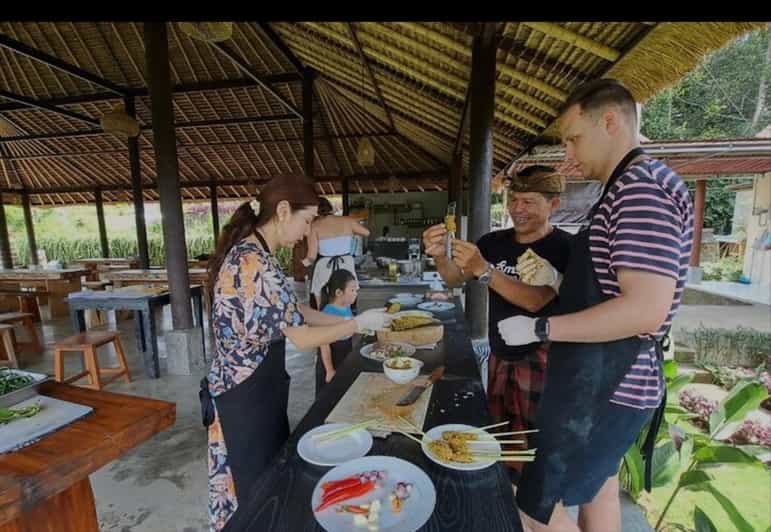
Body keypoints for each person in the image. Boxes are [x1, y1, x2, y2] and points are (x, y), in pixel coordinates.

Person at [498, 79, 694, 532]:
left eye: (573, 137)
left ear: (609, 122)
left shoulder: (640, 188)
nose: (567, 152)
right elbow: (612, 282)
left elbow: (645, 309)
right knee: (599, 485)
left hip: (609, 384)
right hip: (603, 377)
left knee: (536, 510)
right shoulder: (625, 187)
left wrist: (541, 329)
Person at [200, 176, 388, 531]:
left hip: (257, 386)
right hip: (243, 394)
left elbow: (294, 312)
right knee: (252, 489)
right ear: (283, 211)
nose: (307, 233)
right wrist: (357, 324)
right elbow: (301, 338)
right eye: (306, 221)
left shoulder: (258, 255)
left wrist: (348, 318)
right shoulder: (251, 262)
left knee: (266, 479)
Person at [421, 165, 572, 483]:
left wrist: (485, 270)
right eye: (514, 199)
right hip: (501, 353)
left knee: (535, 439)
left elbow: (535, 300)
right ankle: (504, 492)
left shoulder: (566, 248)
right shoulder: (493, 242)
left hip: (543, 359)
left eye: (529, 201)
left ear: (554, 204)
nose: (518, 209)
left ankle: (531, 500)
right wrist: (439, 256)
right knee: (499, 432)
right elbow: (456, 278)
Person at [304, 197, 370, 309]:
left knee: (323, 302)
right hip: (346, 264)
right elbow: (366, 232)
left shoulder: (314, 226)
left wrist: (303, 264)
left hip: (324, 266)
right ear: (330, 208)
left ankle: (326, 320)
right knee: (348, 297)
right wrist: (350, 232)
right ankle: (347, 319)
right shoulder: (347, 220)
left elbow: (311, 256)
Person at [315, 269, 358, 397]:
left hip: (344, 355)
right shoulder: (328, 313)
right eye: (352, 290)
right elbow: (324, 345)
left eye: (356, 290)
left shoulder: (346, 306)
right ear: (339, 292)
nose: (355, 294)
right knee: (328, 396)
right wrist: (329, 370)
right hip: (331, 360)